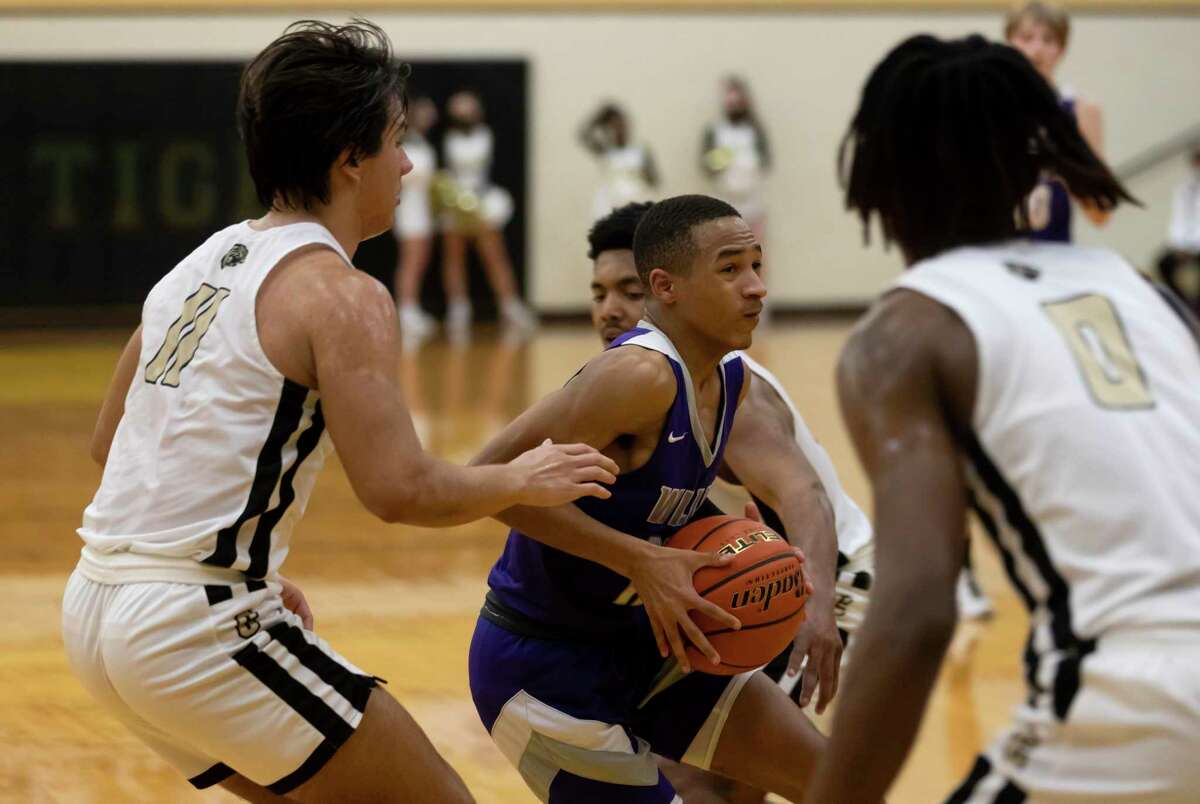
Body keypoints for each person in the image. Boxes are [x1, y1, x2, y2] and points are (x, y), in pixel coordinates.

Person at [60, 20, 620, 803]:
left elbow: (108, 443)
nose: (409, 161)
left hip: (94, 609)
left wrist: (224, 563)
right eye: (395, 140)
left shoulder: (196, 264)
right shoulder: (343, 293)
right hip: (188, 626)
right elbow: (401, 491)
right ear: (348, 159)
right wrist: (522, 478)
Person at [807, 34, 1200, 803]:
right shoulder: (1143, 290)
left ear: (877, 171)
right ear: (1036, 162)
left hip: (1134, 699)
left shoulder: (907, 332)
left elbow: (917, 614)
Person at [467, 194, 845, 803]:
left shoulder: (729, 377)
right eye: (730, 270)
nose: (756, 289)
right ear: (666, 287)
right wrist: (637, 560)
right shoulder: (636, 379)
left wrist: (796, 581)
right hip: (544, 665)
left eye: (756, 266)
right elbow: (485, 482)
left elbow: (788, 489)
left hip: (653, 646)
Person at [587, 201, 875, 803]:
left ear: (668, 291)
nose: (611, 309)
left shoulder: (718, 381)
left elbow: (803, 493)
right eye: (599, 292)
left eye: (629, 291)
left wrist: (817, 603)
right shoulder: (633, 379)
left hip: (824, 576)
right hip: (753, 577)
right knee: (713, 774)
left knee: (694, 775)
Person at [1006, 1, 1111, 242]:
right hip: (997, 250)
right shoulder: (988, 108)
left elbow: (1101, 213)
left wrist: (1069, 169)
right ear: (1009, 42)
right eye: (1026, 37)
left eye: (1048, 40)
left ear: (1061, 49)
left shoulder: (1080, 111)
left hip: (1054, 253)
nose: (1037, 49)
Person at [439, 89, 536, 339]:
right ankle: (458, 309)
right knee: (454, 257)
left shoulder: (486, 135)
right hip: (455, 202)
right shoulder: (448, 139)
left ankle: (509, 306)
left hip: (481, 202)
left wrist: (475, 199)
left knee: (494, 255)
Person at [392, 96, 440, 342]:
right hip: (409, 211)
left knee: (420, 261)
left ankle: (413, 308)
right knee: (410, 262)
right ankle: (406, 312)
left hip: (423, 211)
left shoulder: (423, 142)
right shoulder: (405, 144)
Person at [701, 77, 771, 246]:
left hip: (752, 202)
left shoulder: (754, 130)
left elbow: (765, 161)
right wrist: (722, 160)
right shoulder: (715, 131)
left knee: (754, 250)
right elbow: (707, 163)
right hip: (724, 199)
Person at [580, 102, 660, 221]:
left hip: (635, 204)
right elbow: (583, 135)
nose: (618, 129)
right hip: (610, 206)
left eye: (621, 123)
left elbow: (654, 180)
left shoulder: (640, 150)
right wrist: (599, 118)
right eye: (613, 125)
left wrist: (643, 176)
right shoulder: (605, 151)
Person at [1157, 146, 1200, 313]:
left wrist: (1193, 247)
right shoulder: (1184, 188)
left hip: (1196, 244)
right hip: (1187, 245)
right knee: (1164, 263)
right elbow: (1178, 220)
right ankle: (1184, 307)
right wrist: (1179, 246)